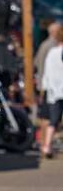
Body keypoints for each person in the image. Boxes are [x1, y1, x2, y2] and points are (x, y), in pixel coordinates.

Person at [39, 24, 63, 159]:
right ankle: (46, 145)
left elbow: (45, 72)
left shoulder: (51, 51)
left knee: (52, 120)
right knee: (52, 119)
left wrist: (44, 88)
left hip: (53, 90)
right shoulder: (50, 48)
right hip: (56, 90)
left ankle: (46, 145)